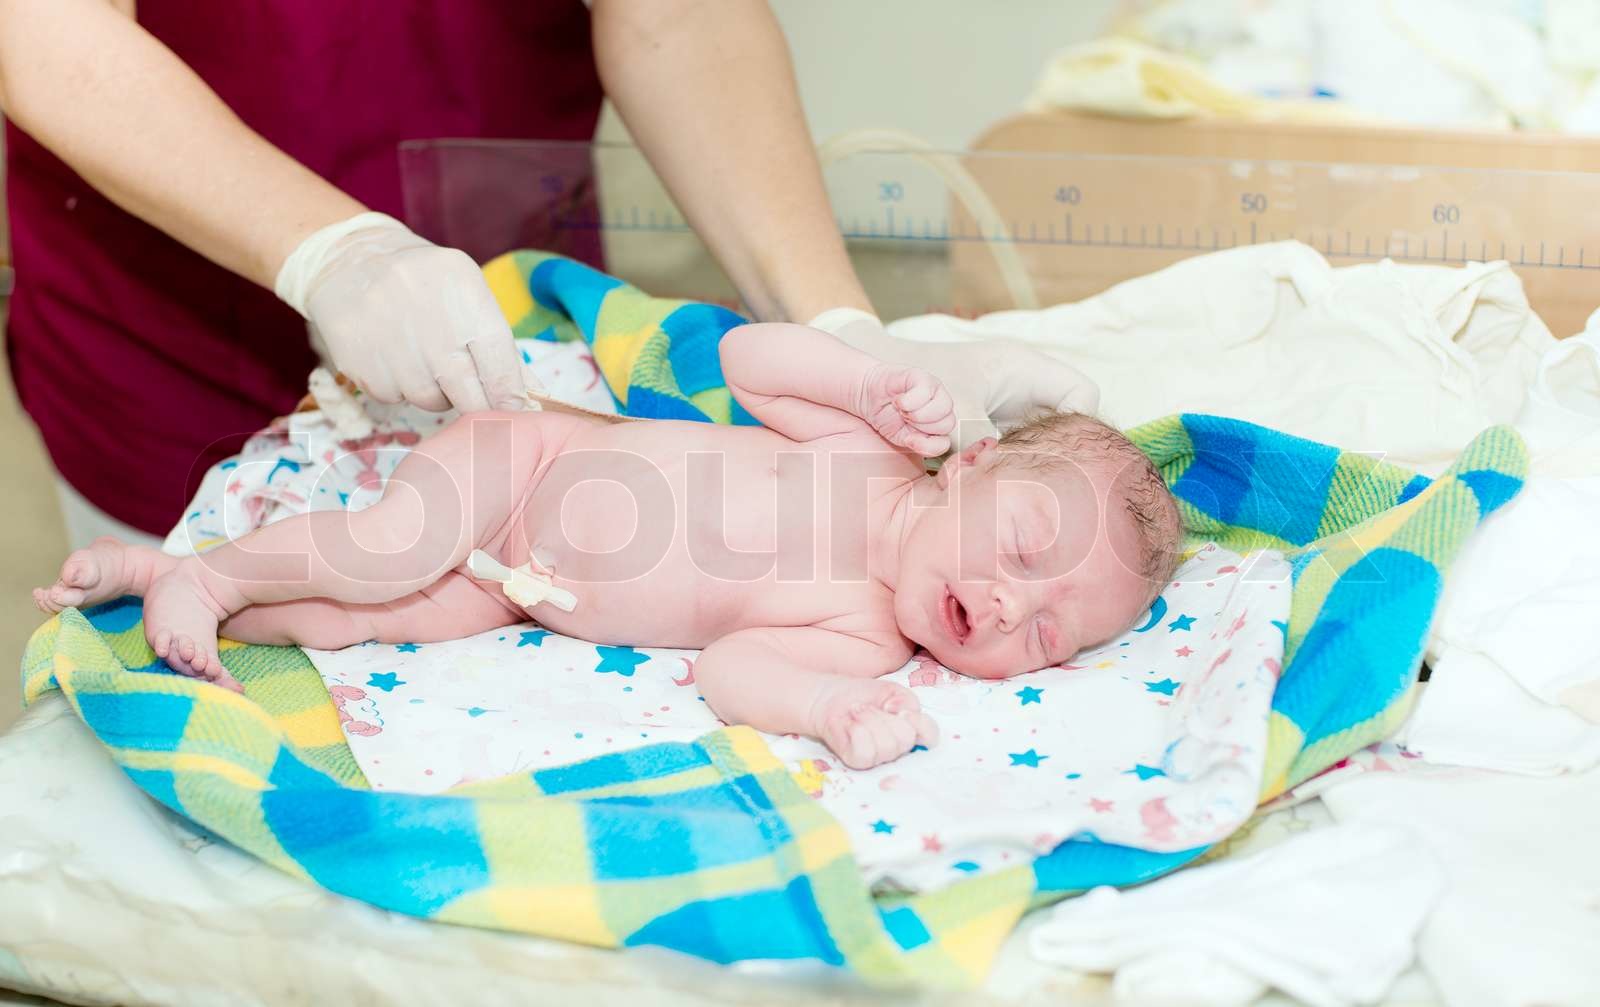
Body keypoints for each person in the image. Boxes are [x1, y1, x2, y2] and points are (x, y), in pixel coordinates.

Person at [0, 0, 1096, 551]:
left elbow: (676, 15)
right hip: (163, 314)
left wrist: (836, 323)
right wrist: (327, 248)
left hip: (516, 299)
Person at [35, 320, 1178, 769]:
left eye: (1048, 632)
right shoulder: (869, 447)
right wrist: (867, 374)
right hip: (522, 465)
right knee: (384, 551)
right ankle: (211, 568)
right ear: (970, 464)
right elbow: (747, 364)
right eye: (1026, 547)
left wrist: (828, 712)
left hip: (521, 595)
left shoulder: (867, 636)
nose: (1006, 601)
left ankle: (169, 589)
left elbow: (731, 673)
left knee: (373, 615)